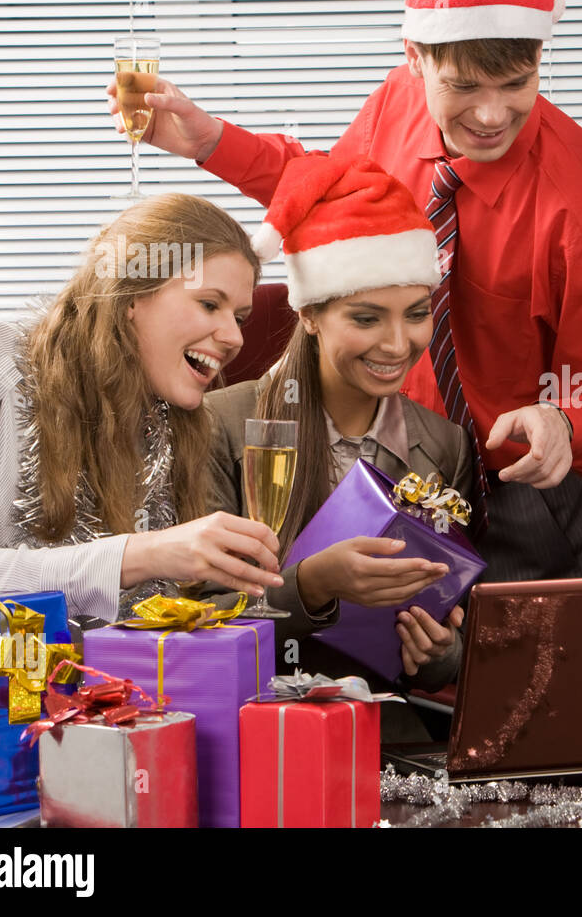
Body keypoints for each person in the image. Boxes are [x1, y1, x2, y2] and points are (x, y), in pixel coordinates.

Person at [106, 0, 582, 584]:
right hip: (383, 463)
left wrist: (566, 421)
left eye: (516, 83)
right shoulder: (397, 102)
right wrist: (212, 140)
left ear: (540, 55)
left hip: (514, 493)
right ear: (415, 58)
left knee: (525, 677)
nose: (490, 115)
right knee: (360, 665)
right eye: (463, 87)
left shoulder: (581, 206)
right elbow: (335, 193)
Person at [205, 156, 473, 739]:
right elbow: (193, 617)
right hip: (255, 728)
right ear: (309, 314)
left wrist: (438, 651)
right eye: (367, 317)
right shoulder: (222, 423)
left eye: (417, 314)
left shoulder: (445, 444)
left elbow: (452, 647)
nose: (398, 344)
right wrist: (311, 584)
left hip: (386, 734)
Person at [0, 193, 283, 620]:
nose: (235, 337)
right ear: (130, 297)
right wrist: (143, 553)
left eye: (241, 317)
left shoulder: (173, 424)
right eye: (210, 304)